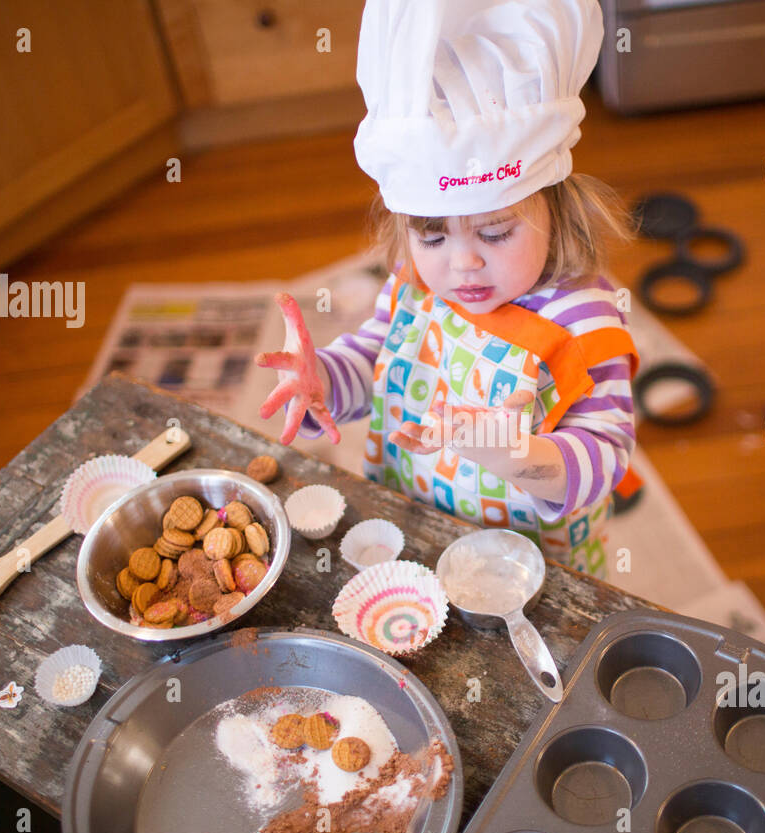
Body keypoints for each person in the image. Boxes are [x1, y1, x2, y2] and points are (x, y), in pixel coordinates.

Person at [256, 0, 639, 580]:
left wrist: (518, 456)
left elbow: (606, 458)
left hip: (533, 571)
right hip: (416, 530)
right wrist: (323, 382)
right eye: (431, 237)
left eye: (495, 232)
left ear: (557, 209)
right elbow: (377, 360)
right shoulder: (415, 284)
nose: (463, 264)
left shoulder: (584, 325)